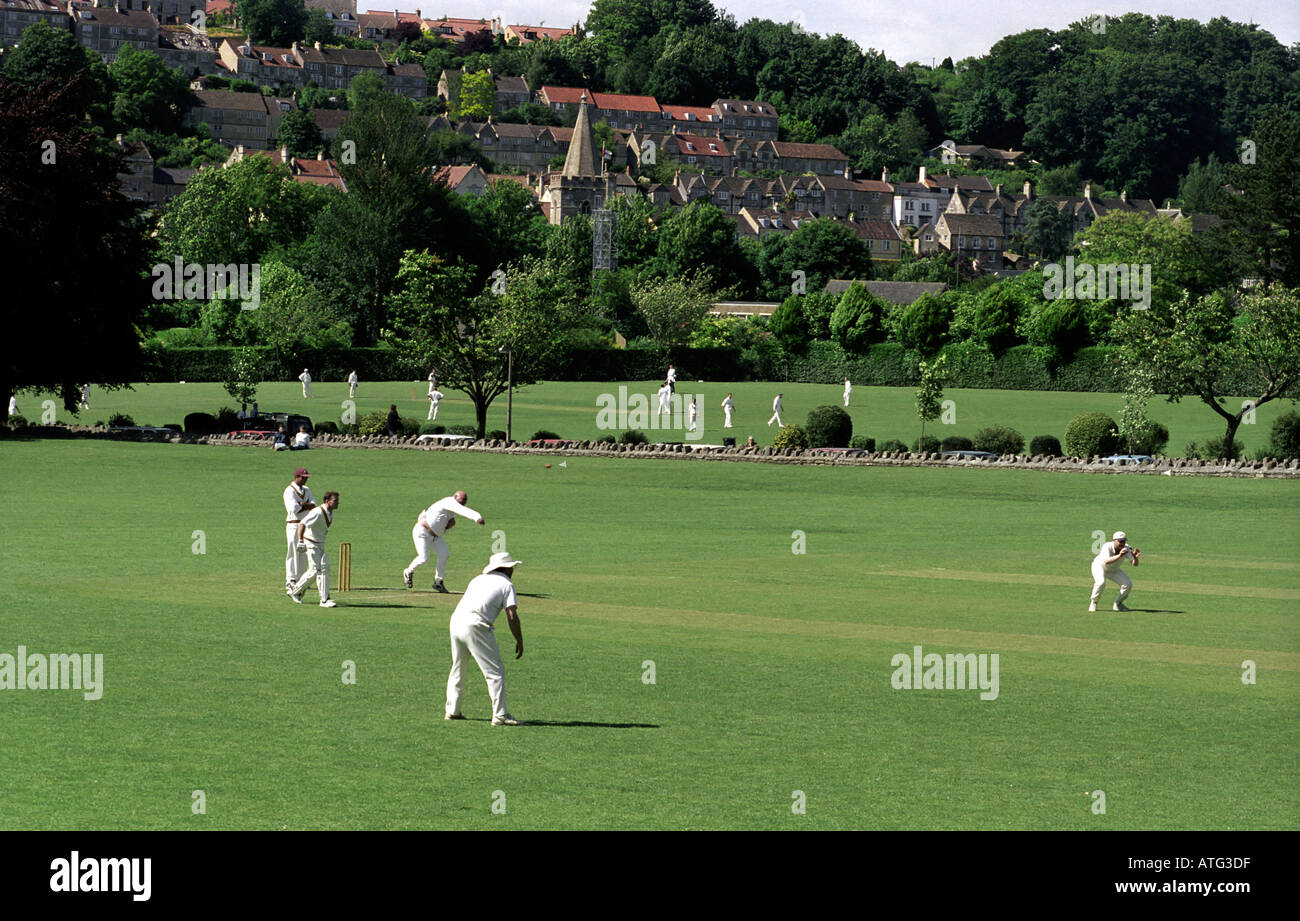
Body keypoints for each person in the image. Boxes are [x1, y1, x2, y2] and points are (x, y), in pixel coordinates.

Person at [445, 552, 524, 726]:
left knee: (458, 667)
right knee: (495, 672)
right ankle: (500, 715)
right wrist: (519, 639)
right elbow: (512, 615)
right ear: (506, 569)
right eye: (512, 568)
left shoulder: (477, 579)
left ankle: (452, 710)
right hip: (476, 625)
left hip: (456, 621)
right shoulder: (506, 584)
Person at [403, 490, 485, 593]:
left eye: (465, 501)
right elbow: (462, 510)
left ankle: (438, 582)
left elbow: (448, 522)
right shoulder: (449, 501)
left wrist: (449, 525)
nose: (463, 503)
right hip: (422, 531)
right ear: (455, 496)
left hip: (435, 536)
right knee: (424, 558)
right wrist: (477, 517)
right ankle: (408, 571)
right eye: (461, 500)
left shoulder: (451, 509)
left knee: (444, 554)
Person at [289, 491, 339, 608]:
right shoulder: (317, 512)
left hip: (320, 544)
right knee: (318, 570)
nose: (337, 504)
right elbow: (302, 524)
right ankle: (323, 599)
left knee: (317, 570)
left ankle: (296, 592)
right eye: (335, 501)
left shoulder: (331, 513)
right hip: (311, 543)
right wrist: (300, 541)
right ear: (327, 501)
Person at [1090, 530, 1141, 612]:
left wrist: (1135, 557)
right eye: (1120, 541)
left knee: (1127, 584)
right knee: (1101, 583)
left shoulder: (1127, 548)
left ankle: (1118, 604)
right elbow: (1107, 561)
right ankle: (1094, 602)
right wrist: (1120, 555)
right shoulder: (1107, 546)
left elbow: (1135, 564)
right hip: (1099, 566)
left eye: (1124, 541)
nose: (1122, 543)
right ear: (1114, 540)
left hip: (1113, 569)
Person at [283, 468, 316, 592]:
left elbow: (313, 505)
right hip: (293, 525)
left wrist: (303, 504)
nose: (305, 479)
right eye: (303, 477)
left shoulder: (307, 490)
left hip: (305, 525)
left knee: (303, 551)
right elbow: (293, 509)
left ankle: (301, 579)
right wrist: (304, 505)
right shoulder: (289, 491)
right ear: (297, 477)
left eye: (306, 477)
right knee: (293, 552)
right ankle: (291, 580)